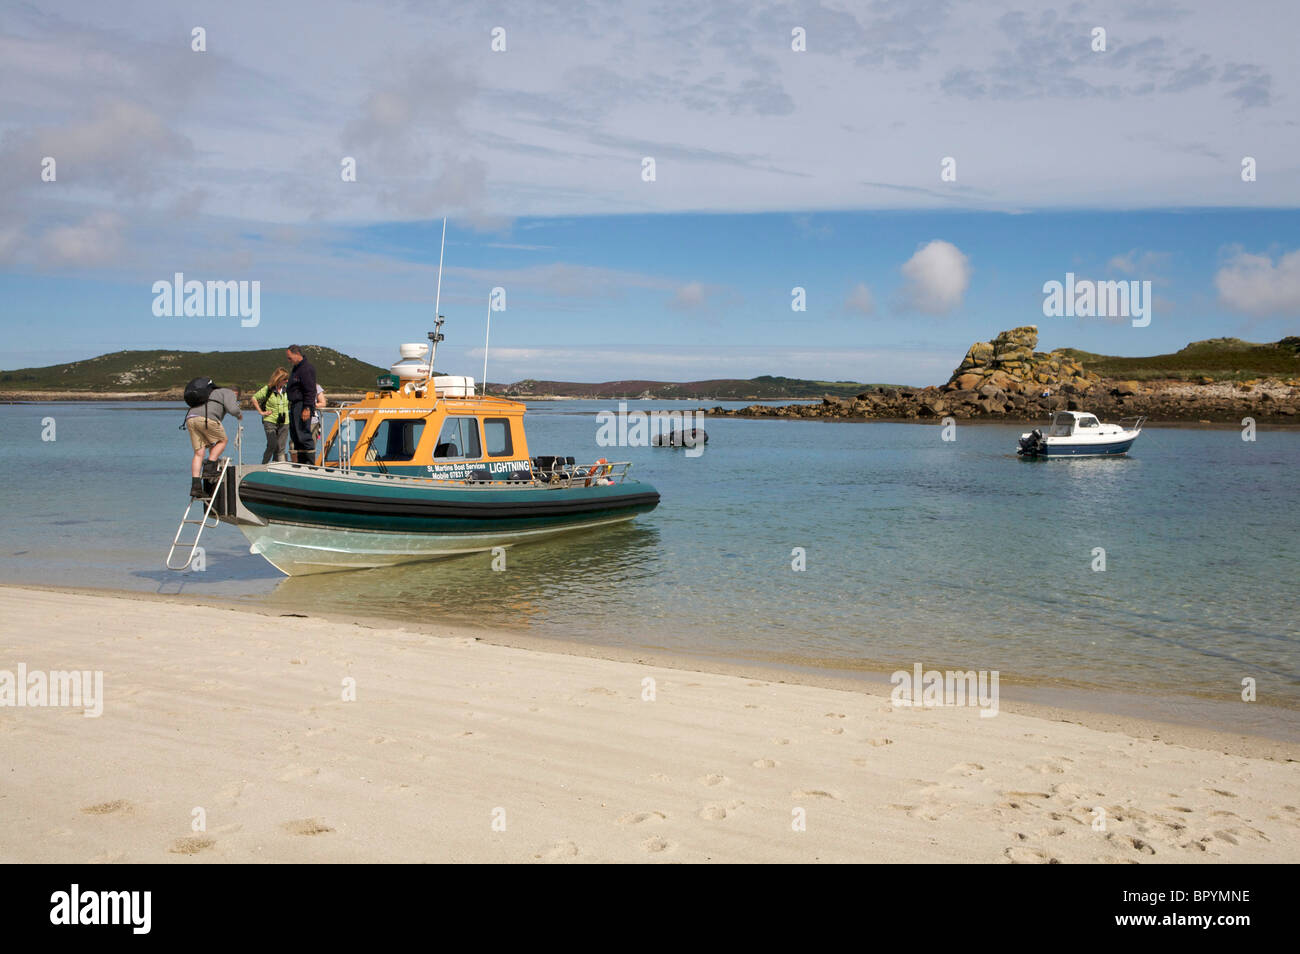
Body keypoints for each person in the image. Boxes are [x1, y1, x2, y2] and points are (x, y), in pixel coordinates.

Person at [186, 385, 242, 496]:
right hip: (206, 418)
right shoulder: (229, 393)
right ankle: (209, 469)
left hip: (190, 418)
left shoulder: (211, 392)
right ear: (236, 393)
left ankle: (195, 487)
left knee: (199, 453)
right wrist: (239, 414)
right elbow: (233, 409)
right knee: (223, 441)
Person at [285, 345, 317, 464]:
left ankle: (309, 464)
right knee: (296, 436)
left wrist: (307, 408)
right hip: (294, 405)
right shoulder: (296, 368)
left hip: (302, 405)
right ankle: (301, 464)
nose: (289, 361)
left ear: (297, 354)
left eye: (289, 358)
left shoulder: (306, 368)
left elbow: (310, 390)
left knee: (303, 434)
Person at [251, 368, 290, 464]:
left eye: (287, 379)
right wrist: (261, 412)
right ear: (278, 379)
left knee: (281, 447)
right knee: (272, 444)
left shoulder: (288, 389)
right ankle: (264, 464)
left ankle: (277, 466)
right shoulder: (268, 389)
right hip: (270, 420)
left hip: (284, 421)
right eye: (285, 379)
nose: (287, 381)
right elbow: (254, 398)